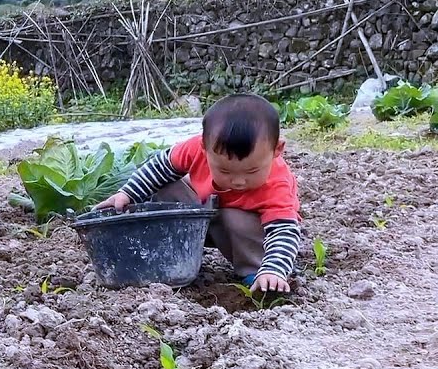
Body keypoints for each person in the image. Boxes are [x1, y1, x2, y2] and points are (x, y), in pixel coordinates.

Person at [94, 94, 302, 292]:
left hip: (245, 231)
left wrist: (274, 269)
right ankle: (171, 255)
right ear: (204, 148)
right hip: (203, 214)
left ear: (277, 150)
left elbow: (283, 231)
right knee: (167, 186)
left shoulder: (277, 183)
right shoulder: (196, 148)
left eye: (252, 171)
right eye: (225, 171)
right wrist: (127, 194)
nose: (238, 181)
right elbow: (159, 167)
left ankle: (257, 271)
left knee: (234, 218)